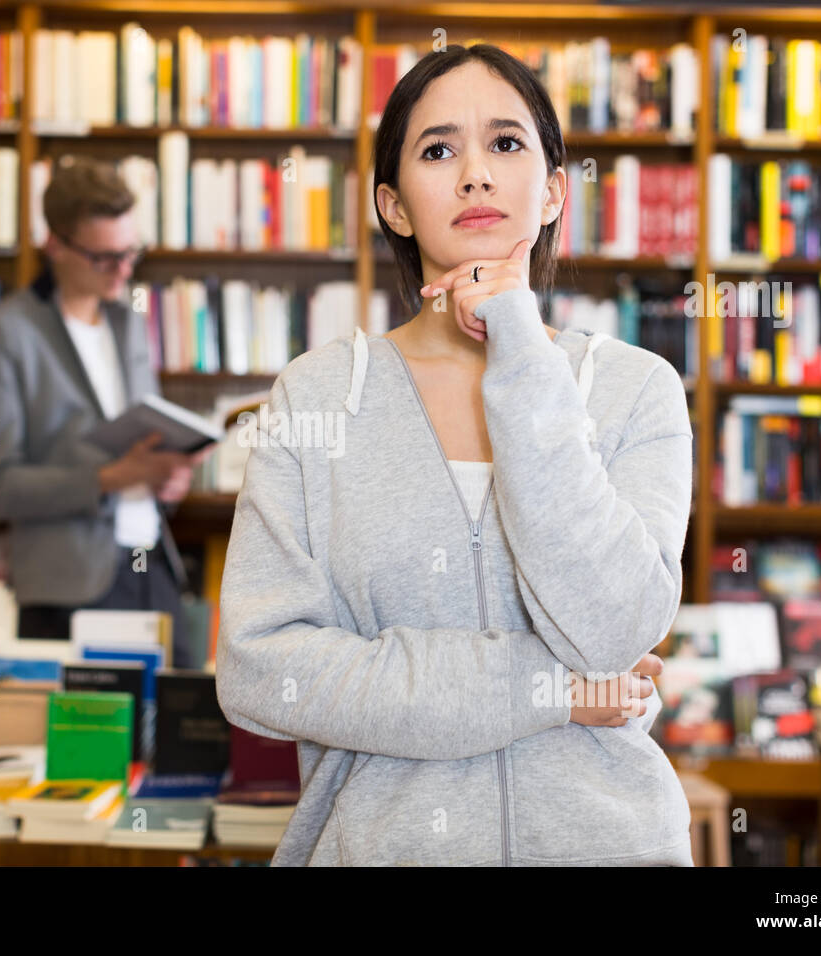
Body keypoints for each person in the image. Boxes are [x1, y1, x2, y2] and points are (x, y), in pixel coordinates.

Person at [215, 44, 695, 866]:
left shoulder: (634, 388)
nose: (475, 173)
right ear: (394, 206)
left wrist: (519, 342)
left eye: (506, 144)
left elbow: (615, 627)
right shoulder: (318, 396)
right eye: (439, 150)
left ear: (551, 193)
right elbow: (261, 671)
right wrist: (550, 690)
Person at [0, 156, 210, 664]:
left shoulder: (129, 325)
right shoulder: (3, 335)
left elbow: (149, 445)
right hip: (69, 588)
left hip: (154, 571)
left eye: (130, 253)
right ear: (55, 245)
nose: (123, 269)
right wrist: (110, 477)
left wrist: (168, 481)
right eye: (104, 257)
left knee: (183, 733)